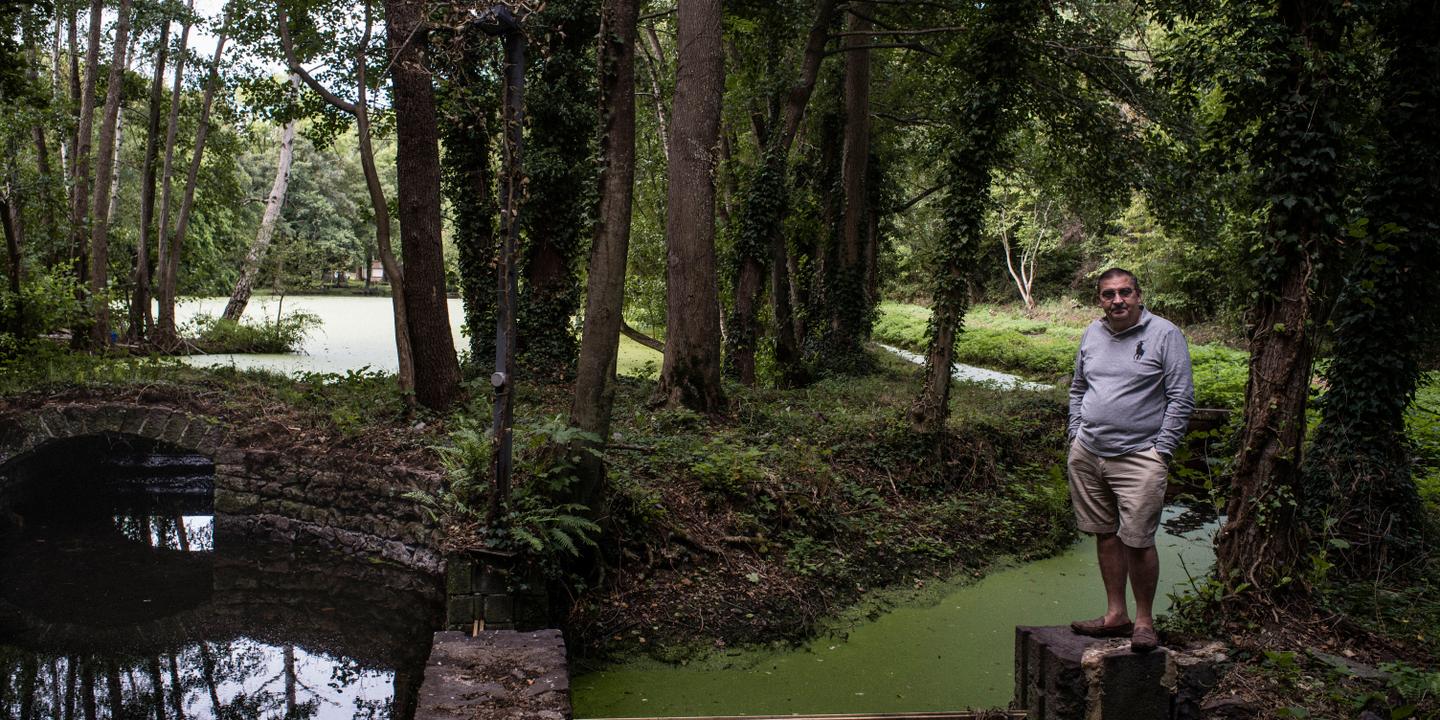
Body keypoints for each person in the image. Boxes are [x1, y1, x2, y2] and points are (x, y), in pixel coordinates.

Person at [1066, 267, 1193, 653]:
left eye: (1125, 292)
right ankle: (1115, 615)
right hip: (1089, 452)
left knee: (1138, 540)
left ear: (1139, 295)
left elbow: (1181, 397)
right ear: (1100, 300)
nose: (1117, 300)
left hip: (1141, 456)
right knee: (1106, 533)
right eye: (1108, 294)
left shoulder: (1165, 334)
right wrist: (1075, 435)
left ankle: (1143, 621)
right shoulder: (1091, 333)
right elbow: (1078, 387)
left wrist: (1162, 451)